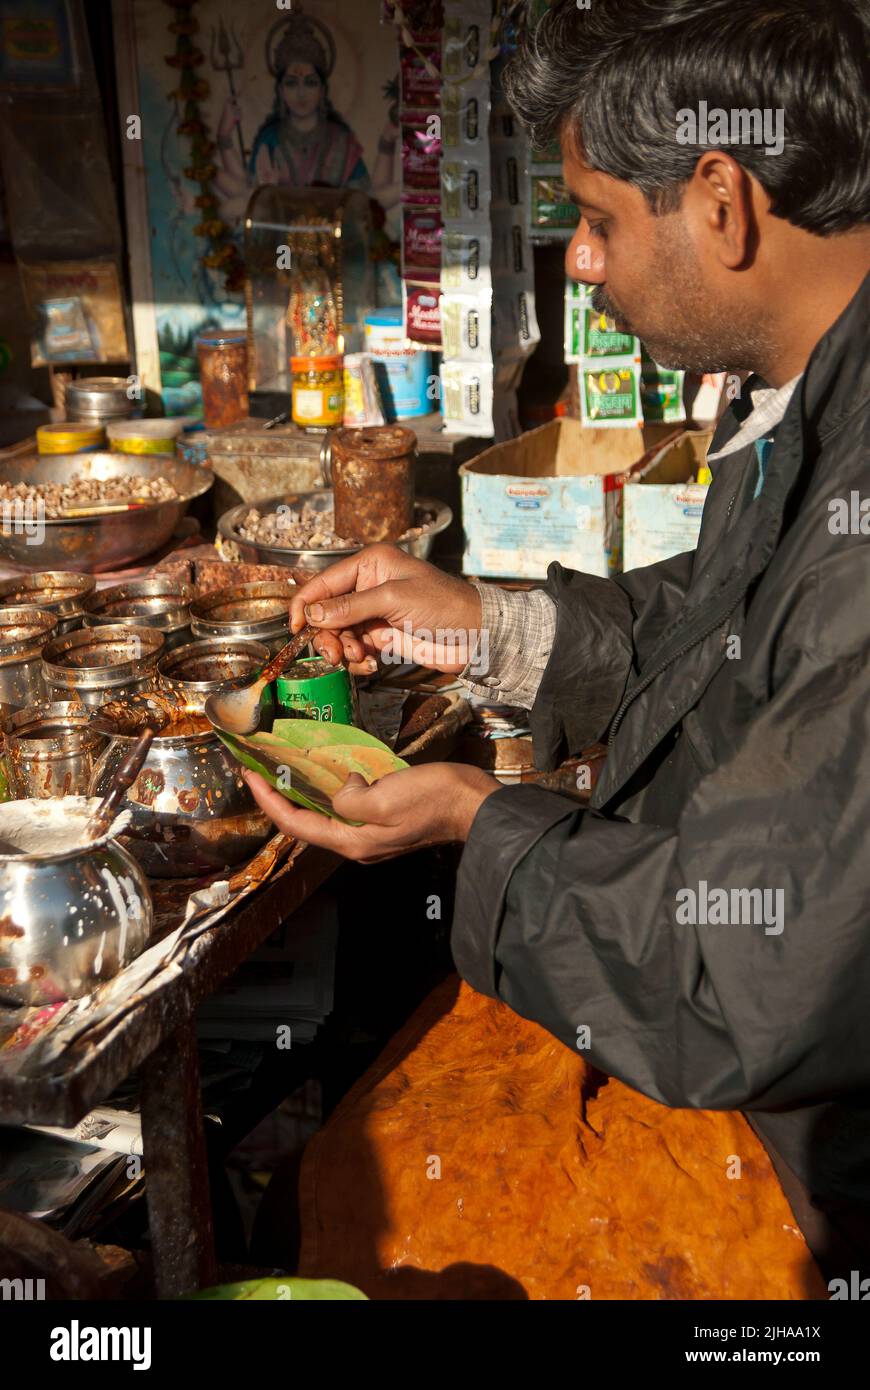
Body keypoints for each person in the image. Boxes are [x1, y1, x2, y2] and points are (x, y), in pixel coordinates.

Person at [244, 0, 870, 1281]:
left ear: (720, 199)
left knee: (364, 1218)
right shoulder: (804, 393)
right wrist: (489, 623)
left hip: (812, 1150)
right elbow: (726, 622)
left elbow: (742, 979)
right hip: (738, 1036)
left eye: (595, 220)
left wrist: (478, 823)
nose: (579, 263)